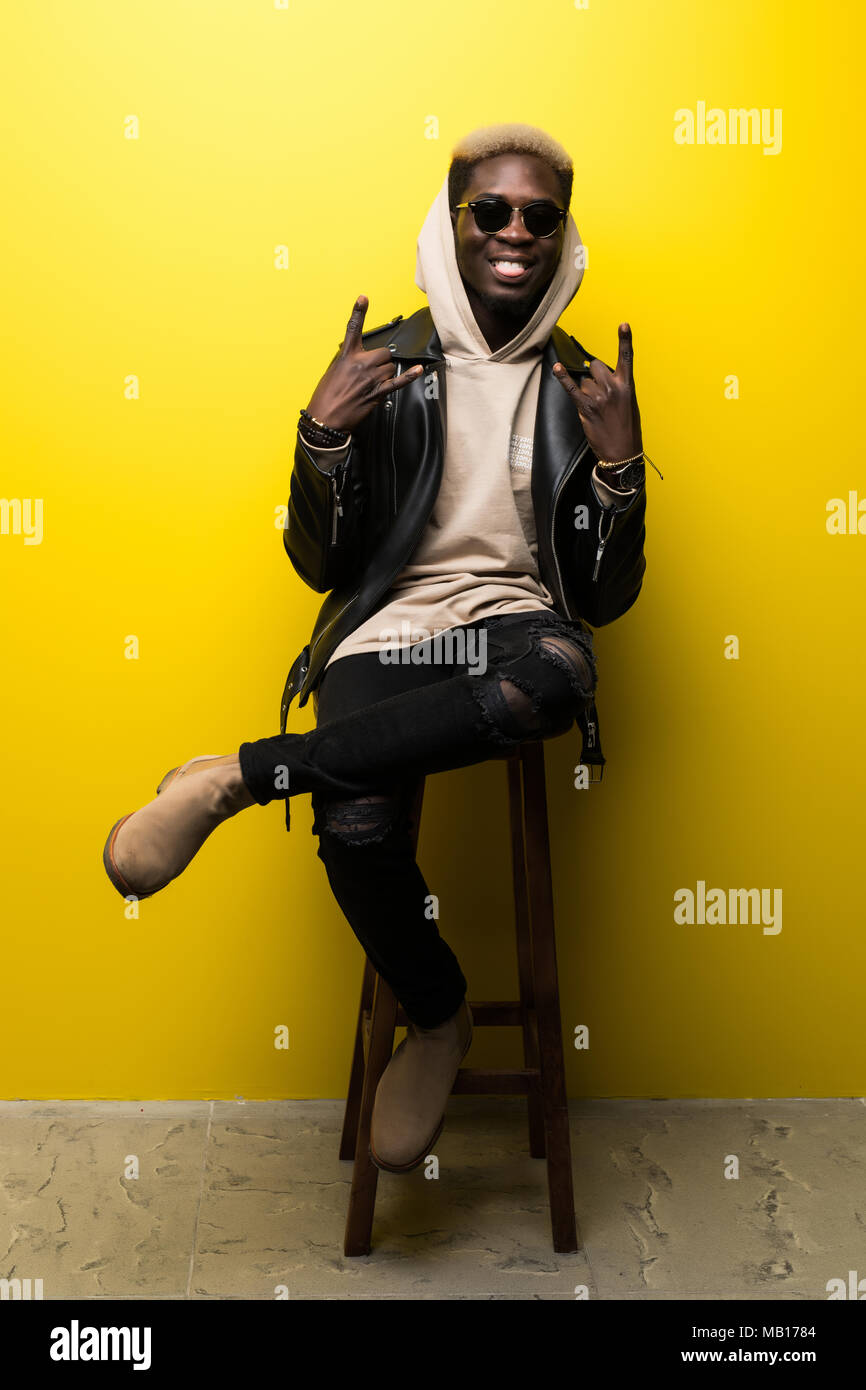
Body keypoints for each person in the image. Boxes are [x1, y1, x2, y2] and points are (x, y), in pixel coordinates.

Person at [102, 122, 651, 1174]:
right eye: (490, 210)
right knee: (355, 817)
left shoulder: (585, 386)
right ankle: (438, 1014)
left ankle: (236, 777)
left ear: (559, 235)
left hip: (511, 630)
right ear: (451, 223)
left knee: (562, 669)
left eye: (539, 215)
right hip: (388, 632)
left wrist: (620, 469)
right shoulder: (388, 362)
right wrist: (321, 436)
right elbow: (322, 563)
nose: (514, 232)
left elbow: (603, 599)